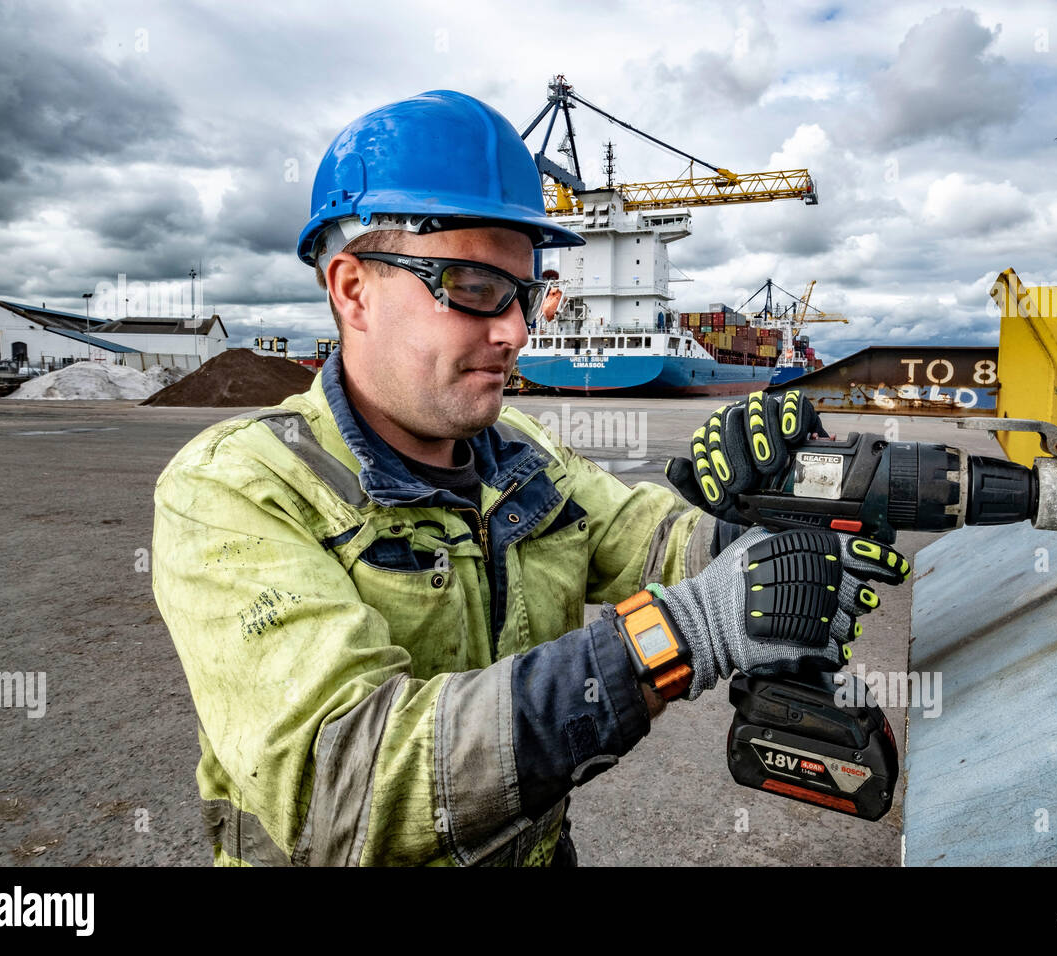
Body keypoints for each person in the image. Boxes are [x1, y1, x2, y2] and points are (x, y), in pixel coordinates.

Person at [151, 89, 910, 867]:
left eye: (527, 293)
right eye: (474, 289)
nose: (516, 330)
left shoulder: (520, 457)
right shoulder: (236, 489)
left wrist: (781, 526)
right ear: (352, 290)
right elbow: (347, 782)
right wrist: (680, 636)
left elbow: (658, 543)